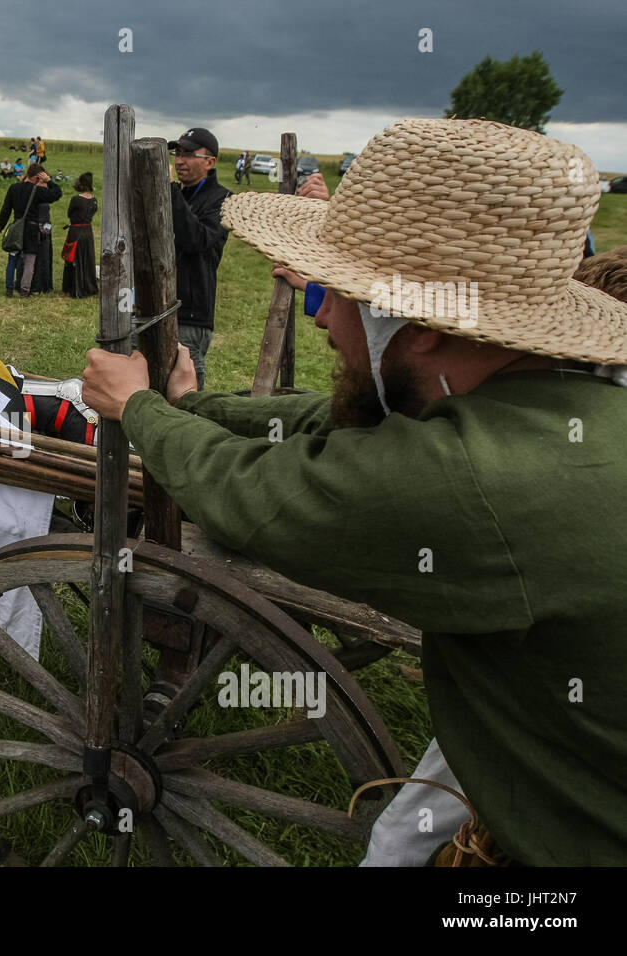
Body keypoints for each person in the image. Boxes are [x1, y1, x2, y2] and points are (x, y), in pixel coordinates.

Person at [82, 117, 627, 866]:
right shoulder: (563, 397)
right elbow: (327, 418)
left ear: (424, 327)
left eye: (340, 292)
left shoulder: (472, 484)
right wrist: (187, 406)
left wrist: (137, 410)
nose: (326, 313)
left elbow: (261, 493)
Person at [166, 125, 231, 390]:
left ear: (210, 161)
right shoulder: (179, 195)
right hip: (160, 306)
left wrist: (168, 189)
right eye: (178, 153)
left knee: (185, 396)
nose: (180, 160)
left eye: (189, 154)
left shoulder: (223, 200)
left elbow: (197, 240)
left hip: (190, 316)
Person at [0, 163, 61, 298]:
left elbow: (6, 208)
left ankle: (9, 288)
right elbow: (57, 194)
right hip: (31, 229)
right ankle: (25, 290)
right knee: (29, 261)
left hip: (17, 227)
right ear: (37, 177)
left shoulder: (13, 188)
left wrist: (0, 224)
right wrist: (49, 181)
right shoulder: (37, 191)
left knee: (12, 259)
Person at [62, 172, 98, 299]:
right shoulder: (94, 200)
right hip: (88, 232)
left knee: (73, 259)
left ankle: (73, 288)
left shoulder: (76, 199)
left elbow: (69, 213)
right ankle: (88, 285)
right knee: (87, 258)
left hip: (76, 232)